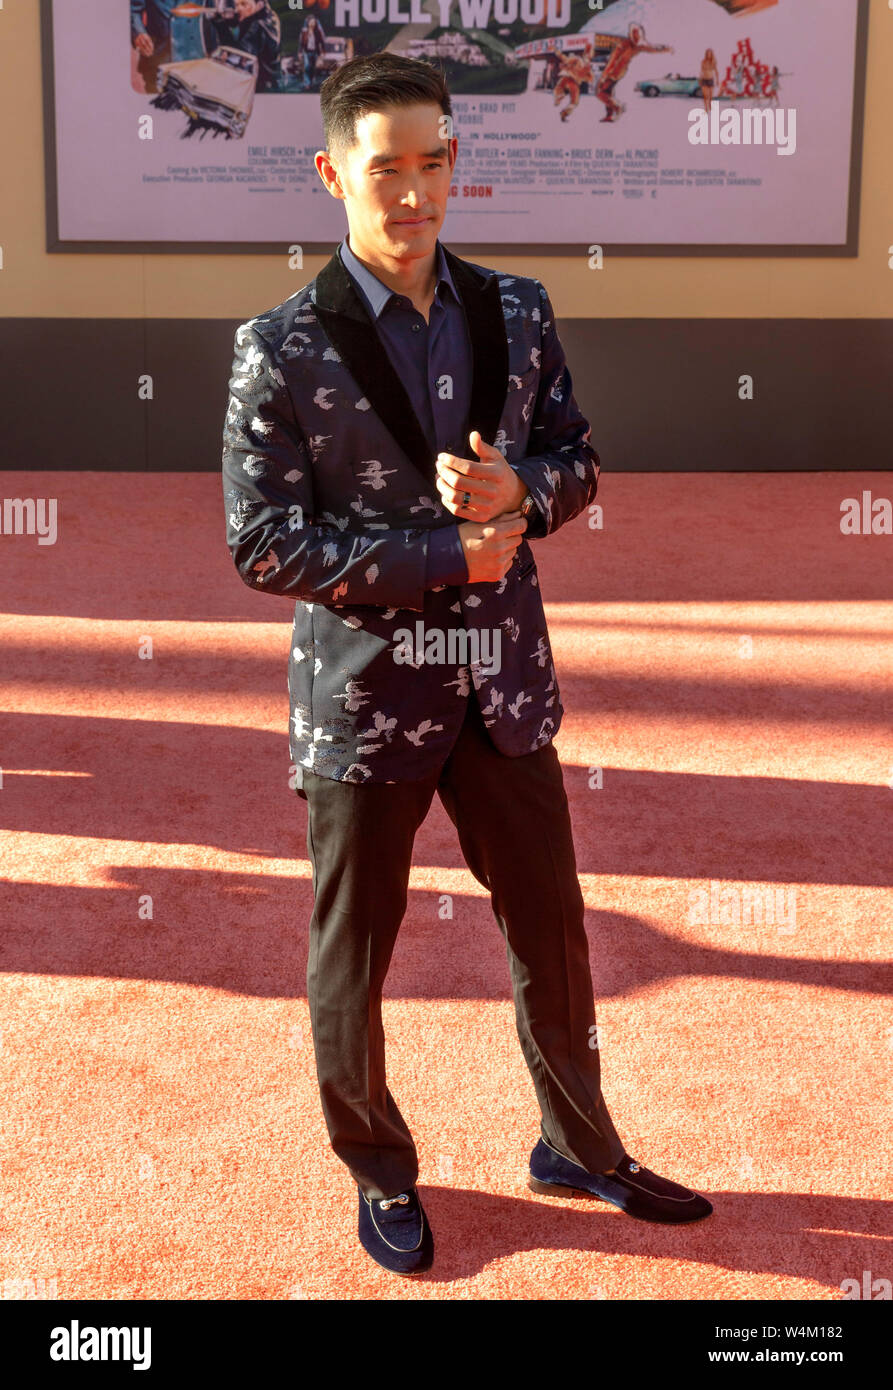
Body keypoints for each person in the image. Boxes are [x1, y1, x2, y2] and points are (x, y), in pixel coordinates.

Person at [221, 51, 713, 1277]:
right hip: (365, 701)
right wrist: (448, 545)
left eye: (431, 163)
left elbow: (579, 458)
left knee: (550, 925)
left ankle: (579, 1144)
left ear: (454, 166)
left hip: (502, 684)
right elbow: (263, 543)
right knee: (354, 952)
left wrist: (525, 491)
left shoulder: (519, 309)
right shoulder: (279, 344)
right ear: (332, 173)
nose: (411, 193)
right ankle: (379, 1171)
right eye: (383, 168)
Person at [596, 21, 673, 123]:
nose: (636, 38)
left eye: (637, 36)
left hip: (613, 72)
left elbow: (613, 60)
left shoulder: (628, 45)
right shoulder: (633, 45)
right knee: (607, 92)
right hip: (618, 71)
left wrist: (604, 75)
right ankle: (610, 115)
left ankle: (618, 107)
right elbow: (652, 48)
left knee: (600, 93)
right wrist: (666, 49)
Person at [207, 0, 281, 92]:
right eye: (236, 5)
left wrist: (219, 24)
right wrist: (219, 21)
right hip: (258, 83)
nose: (239, 9)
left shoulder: (260, 24)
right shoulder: (257, 16)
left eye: (244, 4)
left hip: (263, 87)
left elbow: (240, 52)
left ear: (259, 4)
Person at [130, 0, 176, 94]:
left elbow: (211, 11)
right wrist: (139, 33)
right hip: (158, 59)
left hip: (197, 61)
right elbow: (133, 10)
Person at [700, 47, 719, 113]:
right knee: (705, 95)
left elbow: (716, 71)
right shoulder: (703, 61)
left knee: (710, 96)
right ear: (706, 54)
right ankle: (706, 108)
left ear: (711, 54)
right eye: (707, 54)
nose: (709, 55)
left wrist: (717, 80)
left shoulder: (713, 62)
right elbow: (701, 71)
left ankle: (710, 105)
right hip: (704, 79)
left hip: (711, 79)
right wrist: (700, 79)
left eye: (710, 54)